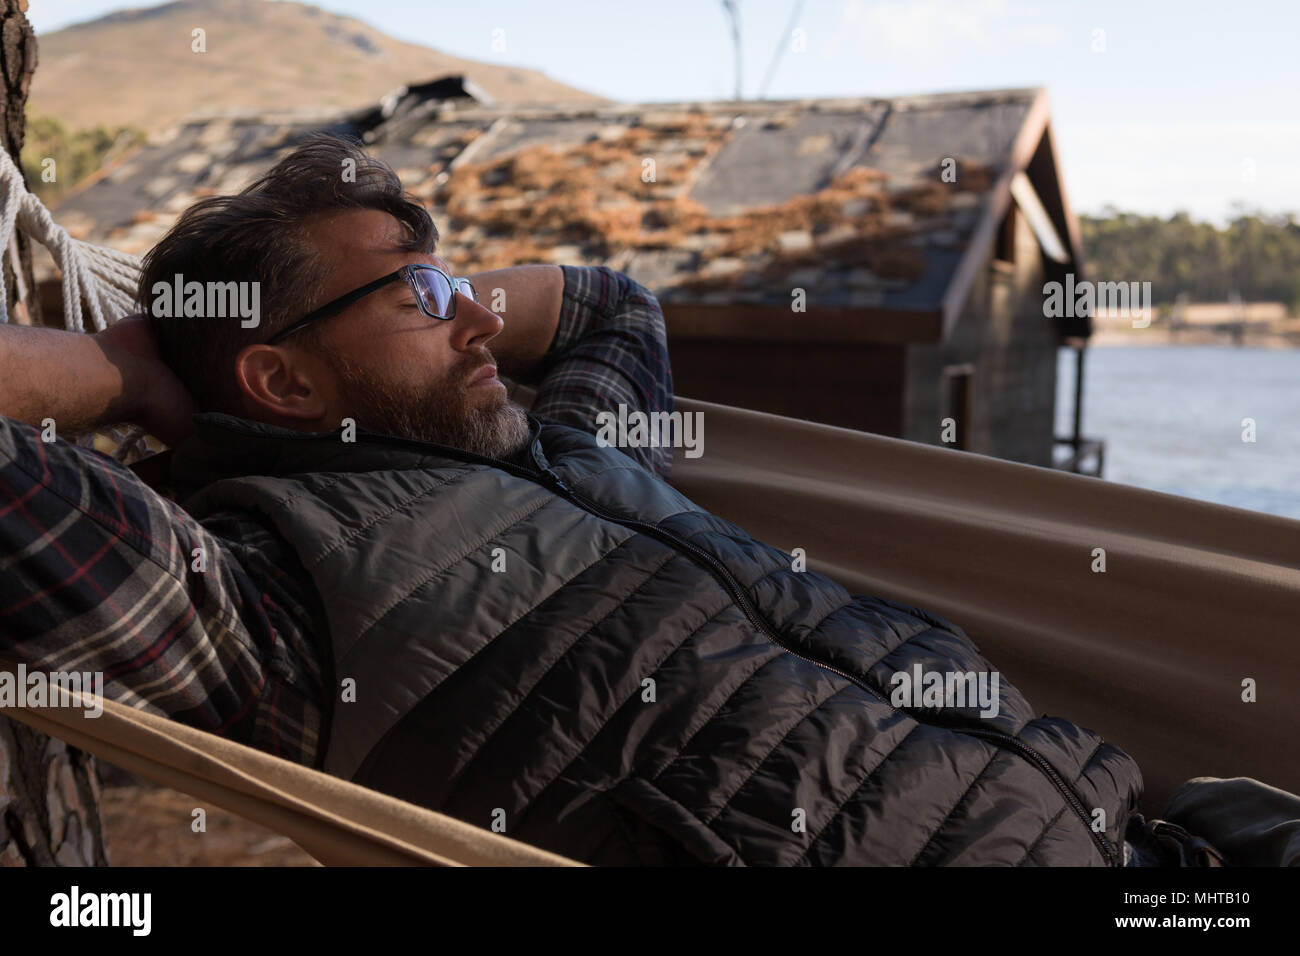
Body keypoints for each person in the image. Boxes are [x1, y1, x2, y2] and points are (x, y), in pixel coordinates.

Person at [0, 132, 1262, 866]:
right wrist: (124, 367)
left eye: (459, 286)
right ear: (278, 376)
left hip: (1146, 837)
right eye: (421, 301)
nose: (483, 313)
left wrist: (410, 288)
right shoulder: (264, 595)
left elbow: (610, 301)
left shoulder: (568, 444)